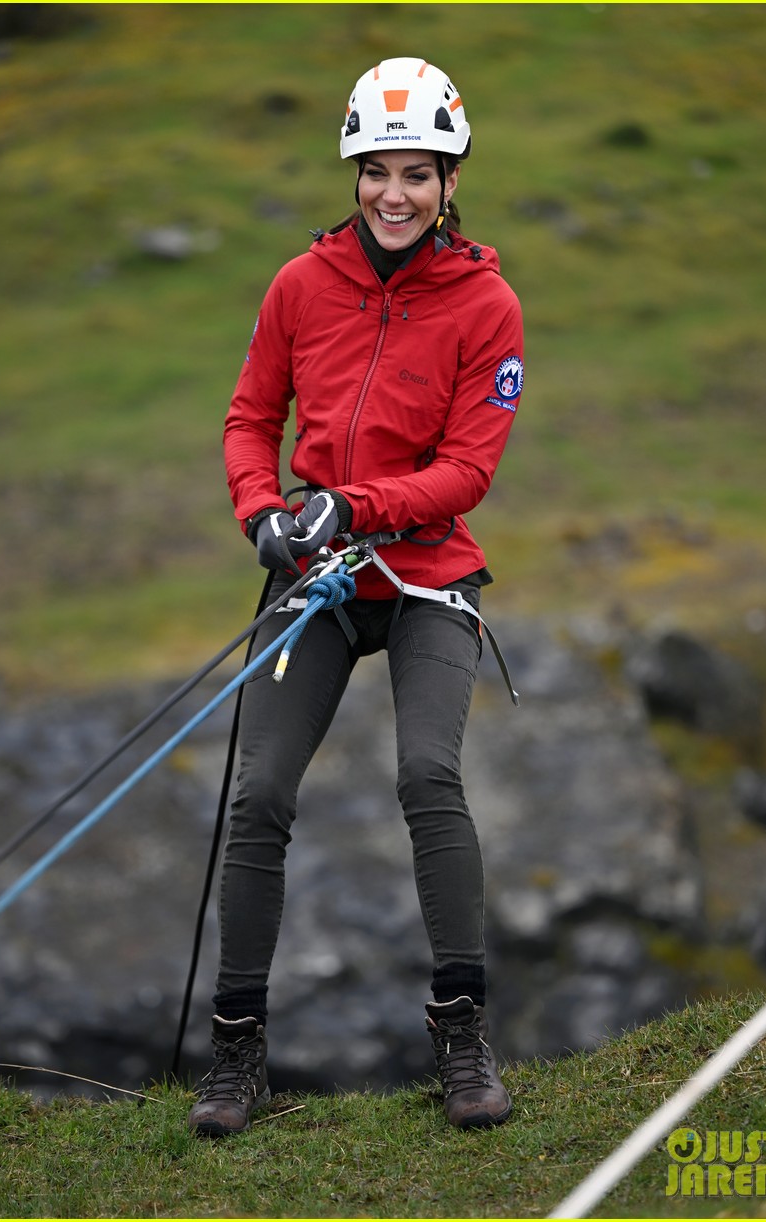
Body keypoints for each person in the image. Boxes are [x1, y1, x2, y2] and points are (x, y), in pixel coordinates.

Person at [187, 57, 524, 1138]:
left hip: (426, 574)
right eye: (377, 171)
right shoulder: (300, 284)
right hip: (315, 576)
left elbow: (467, 472)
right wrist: (262, 512)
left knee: (428, 774)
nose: (393, 194)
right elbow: (250, 420)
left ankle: (462, 1037)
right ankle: (235, 1053)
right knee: (258, 794)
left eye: (417, 174)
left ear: (450, 179)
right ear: (354, 173)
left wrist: (354, 504)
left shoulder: (486, 303)